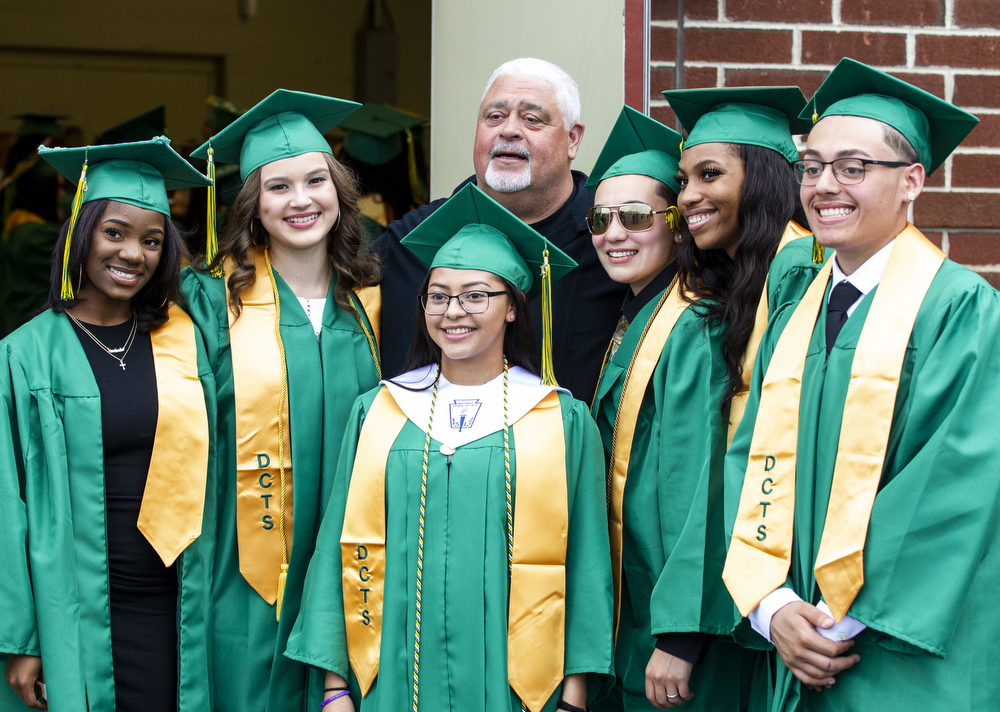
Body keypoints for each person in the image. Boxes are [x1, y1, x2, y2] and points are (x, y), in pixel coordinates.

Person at [722, 58, 997, 711]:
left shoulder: (960, 309)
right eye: (811, 167)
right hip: (798, 642)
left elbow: (954, 483)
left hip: (900, 653)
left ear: (911, 182)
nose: (823, 186)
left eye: (852, 167)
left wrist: (835, 621)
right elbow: (750, 457)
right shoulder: (795, 315)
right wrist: (773, 604)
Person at [286, 183, 613, 712]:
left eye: (476, 295)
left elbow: (587, 562)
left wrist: (573, 697)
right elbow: (338, 550)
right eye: (437, 295)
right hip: (388, 675)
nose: (452, 311)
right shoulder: (381, 412)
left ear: (512, 308)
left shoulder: (560, 419)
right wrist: (335, 687)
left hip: (516, 686)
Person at [594, 89, 825, 711]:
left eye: (710, 174)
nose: (690, 195)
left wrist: (684, 626)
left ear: (768, 178)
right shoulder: (712, 292)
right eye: (684, 179)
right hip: (663, 592)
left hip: (708, 607)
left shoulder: (792, 275)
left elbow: (712, 466)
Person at [181, 89, 383, 712]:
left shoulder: (376, 302)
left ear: (339, 193)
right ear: (252, 206)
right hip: (243, 566)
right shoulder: (209, 303)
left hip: (357, 565)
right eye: (278, 187)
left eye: (316, 181)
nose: (301, 201)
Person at [0, 137, 215, 712]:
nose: (132, 254)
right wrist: (20, 638)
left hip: (176, 606)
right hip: (73, 605)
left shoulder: (185, 341)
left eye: (151, 241)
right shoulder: (26, 354)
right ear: (81, 233)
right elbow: (7, 505)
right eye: (114, 233)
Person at [372, 57, 625, 400]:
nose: (508, 130)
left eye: (531, 119)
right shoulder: (406, 245)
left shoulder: (614, 242)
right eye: (494, 116)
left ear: (572, 139)